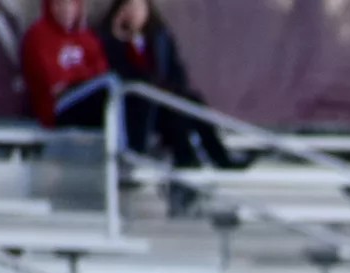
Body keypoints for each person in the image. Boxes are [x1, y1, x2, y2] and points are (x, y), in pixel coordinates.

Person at [99, 0, 243, 169]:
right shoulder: (108, 41)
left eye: (138, 8)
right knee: (174, 112)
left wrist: (171, 87)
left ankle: (219, 156)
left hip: (163, 98)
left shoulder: (159, 38)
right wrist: (118, 35)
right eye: (129, 8)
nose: (134, 14)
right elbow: (117, 74)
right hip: (137, 107)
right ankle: (186, 160)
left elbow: (175, 70)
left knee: (191, 101)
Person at [20, 0, 114, 130]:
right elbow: (56, 86)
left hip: (87, 99)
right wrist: (84, 76)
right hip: (56, 109)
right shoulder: (38, 36)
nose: (67, 9)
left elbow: (101, 71)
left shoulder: (87, 37)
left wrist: (79, 78)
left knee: (120, 92)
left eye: (71, 4)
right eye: (60, 4)